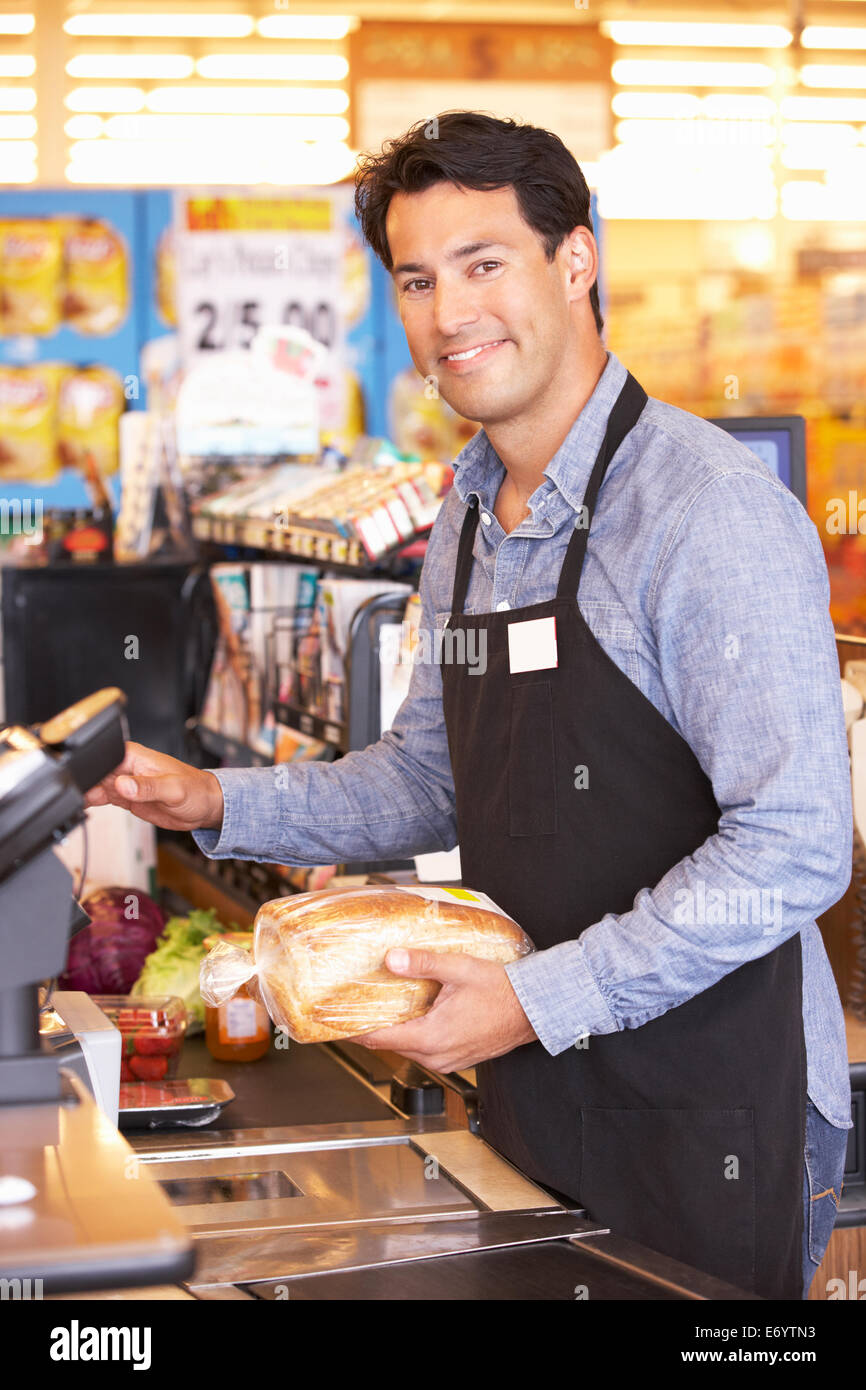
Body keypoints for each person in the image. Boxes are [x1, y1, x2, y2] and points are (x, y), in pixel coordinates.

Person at [90, 112, 852, 1301]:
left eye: (484, 263)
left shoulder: (705, 512)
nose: (449, 315)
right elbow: (426, 778)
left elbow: (796, 843)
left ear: (576, 260)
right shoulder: (466, 513)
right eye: (415, 279)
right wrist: (208, 796)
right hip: (541, 1091)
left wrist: (536, 1000)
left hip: (716, 1102)